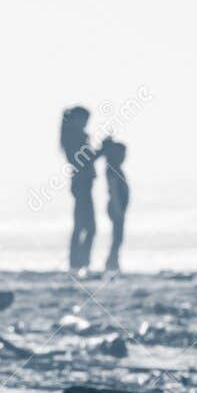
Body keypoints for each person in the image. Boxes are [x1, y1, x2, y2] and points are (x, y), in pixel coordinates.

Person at [60, 106, 96, 273]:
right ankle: (79, 263)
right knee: (86, 226)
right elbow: (85, 159)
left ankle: (78, 263)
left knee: (83, 226)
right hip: (82, 183)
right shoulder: (75, 138)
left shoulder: (71, 137)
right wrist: (103, 149)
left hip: (81, 182)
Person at [101, 135, 129, 273]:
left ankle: (113, 262)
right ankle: (111, 263)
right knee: (117, 236)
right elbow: (113, 189)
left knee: (118, 236)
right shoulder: (112, 169)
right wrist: (117, 208)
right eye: (122, 154)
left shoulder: (115, 168)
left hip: (119, 206)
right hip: (115, 206)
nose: (124, 157)